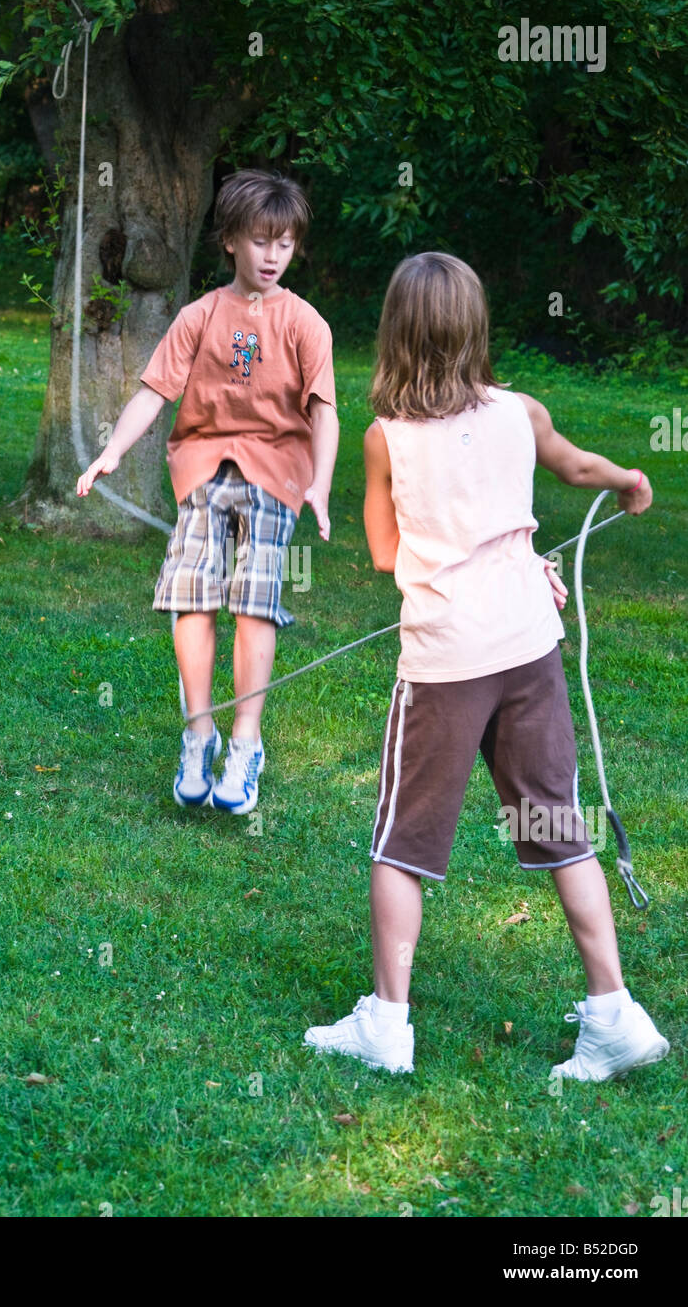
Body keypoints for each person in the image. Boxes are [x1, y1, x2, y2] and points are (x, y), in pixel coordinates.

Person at [304, 251, 669, 1083]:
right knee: (553, 824)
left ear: (395, 335)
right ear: (475, 329)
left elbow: (384, 553)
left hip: (445, 663)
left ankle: (387, 1026)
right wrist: (628, 480)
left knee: (402, 842)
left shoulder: (383, 439)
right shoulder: (520, 412)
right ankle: (613, 1013)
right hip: (527, 646)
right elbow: (579, 470)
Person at [77, 169, 338, 814]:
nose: (272, 256)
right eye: (259, 242)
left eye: (283, 244)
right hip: (202, 471)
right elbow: (154, 391)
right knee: (191, 597)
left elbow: (325, 410)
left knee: (254, 603)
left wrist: (322, 487)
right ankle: (200, 730)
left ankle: (245, 744)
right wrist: (112, 452)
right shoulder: (199, 316)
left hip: (275, 476)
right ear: (229, 242)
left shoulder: (306, 323)